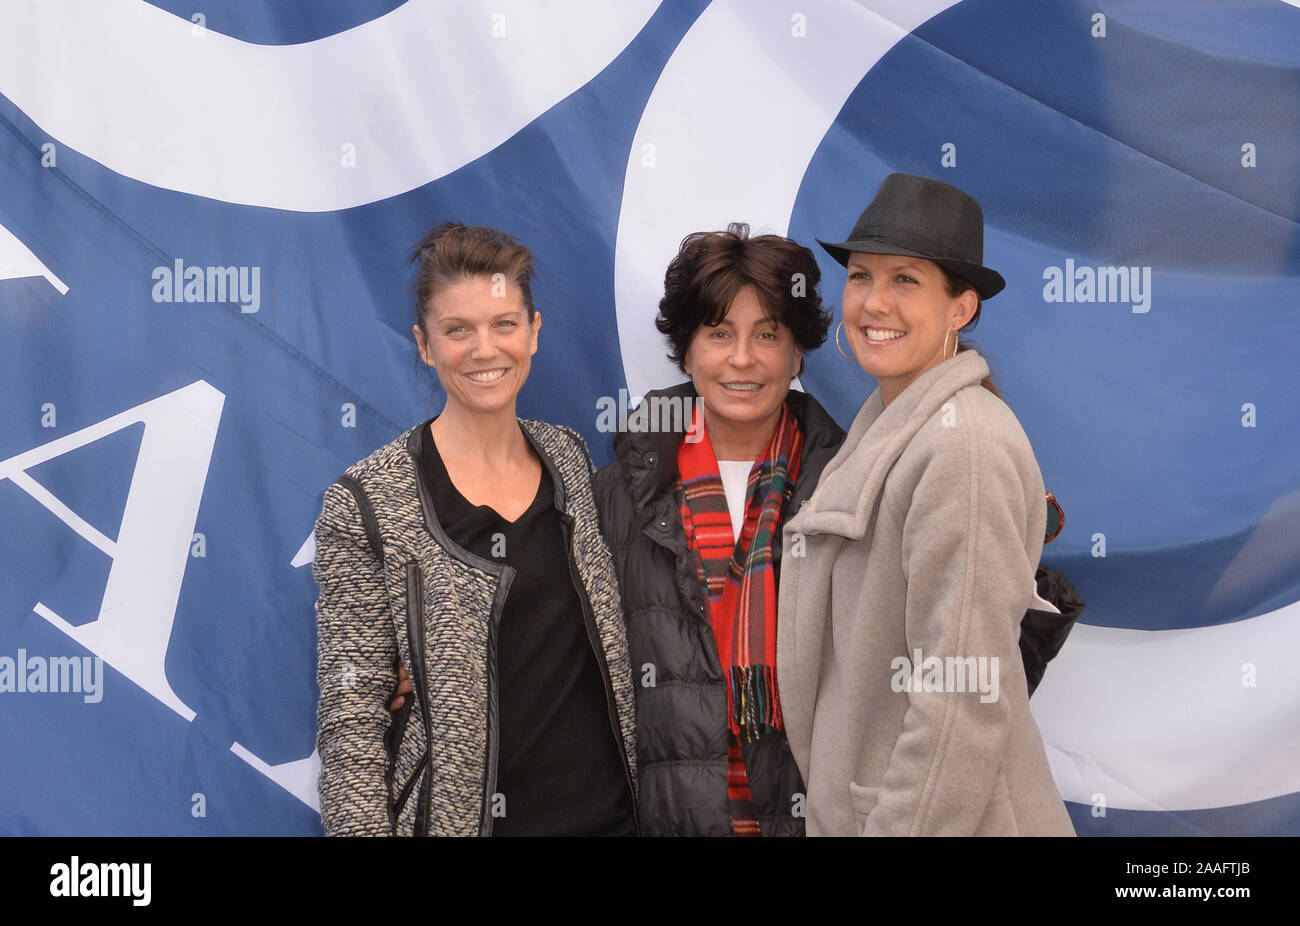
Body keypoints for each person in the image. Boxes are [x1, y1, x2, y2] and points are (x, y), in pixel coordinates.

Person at [313, 222, 638, 836]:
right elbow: (351, 719)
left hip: (610, 820)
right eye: (457, 330)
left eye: (504, 324)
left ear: (534, 333)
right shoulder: (367, 501)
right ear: (425, 344)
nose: (485, 349)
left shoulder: (569, 459)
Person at [777, 173, 1076, 835]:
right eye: (860, 276)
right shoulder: (890, 424)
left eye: (906, 280)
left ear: (961, 309)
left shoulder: (961, 446)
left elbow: (960, 701)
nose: (873, 303)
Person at [592, 225, 843, 836]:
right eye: (719, 333)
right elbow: (560, 655)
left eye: (768, 335)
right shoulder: (613, 496)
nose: (742, 359)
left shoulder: (849, 485)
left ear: (797, 353)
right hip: (665, 818)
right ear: (686, 350)